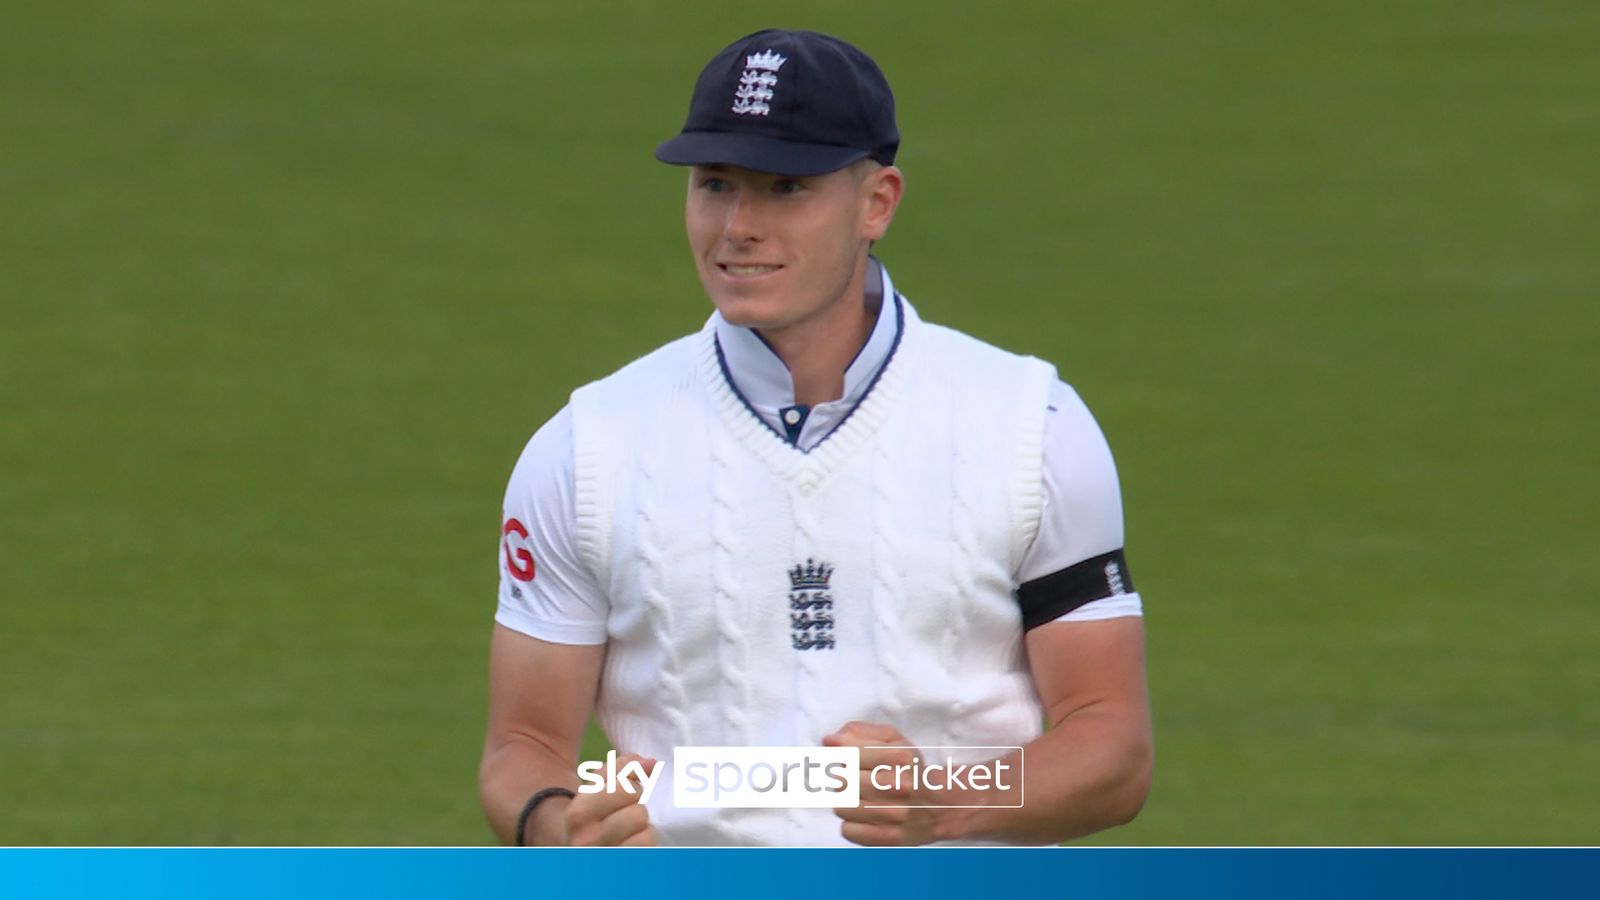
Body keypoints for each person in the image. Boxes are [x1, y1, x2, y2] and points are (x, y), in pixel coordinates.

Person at [478, 28, 1152, 847]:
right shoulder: (585, 449)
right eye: (716, 184)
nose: (737, 227)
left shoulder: (1030, 426)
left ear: (879, 202)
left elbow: (1112, 750)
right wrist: (560, 827)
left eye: (785, 188)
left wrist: (947, 800)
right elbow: (524, 747)